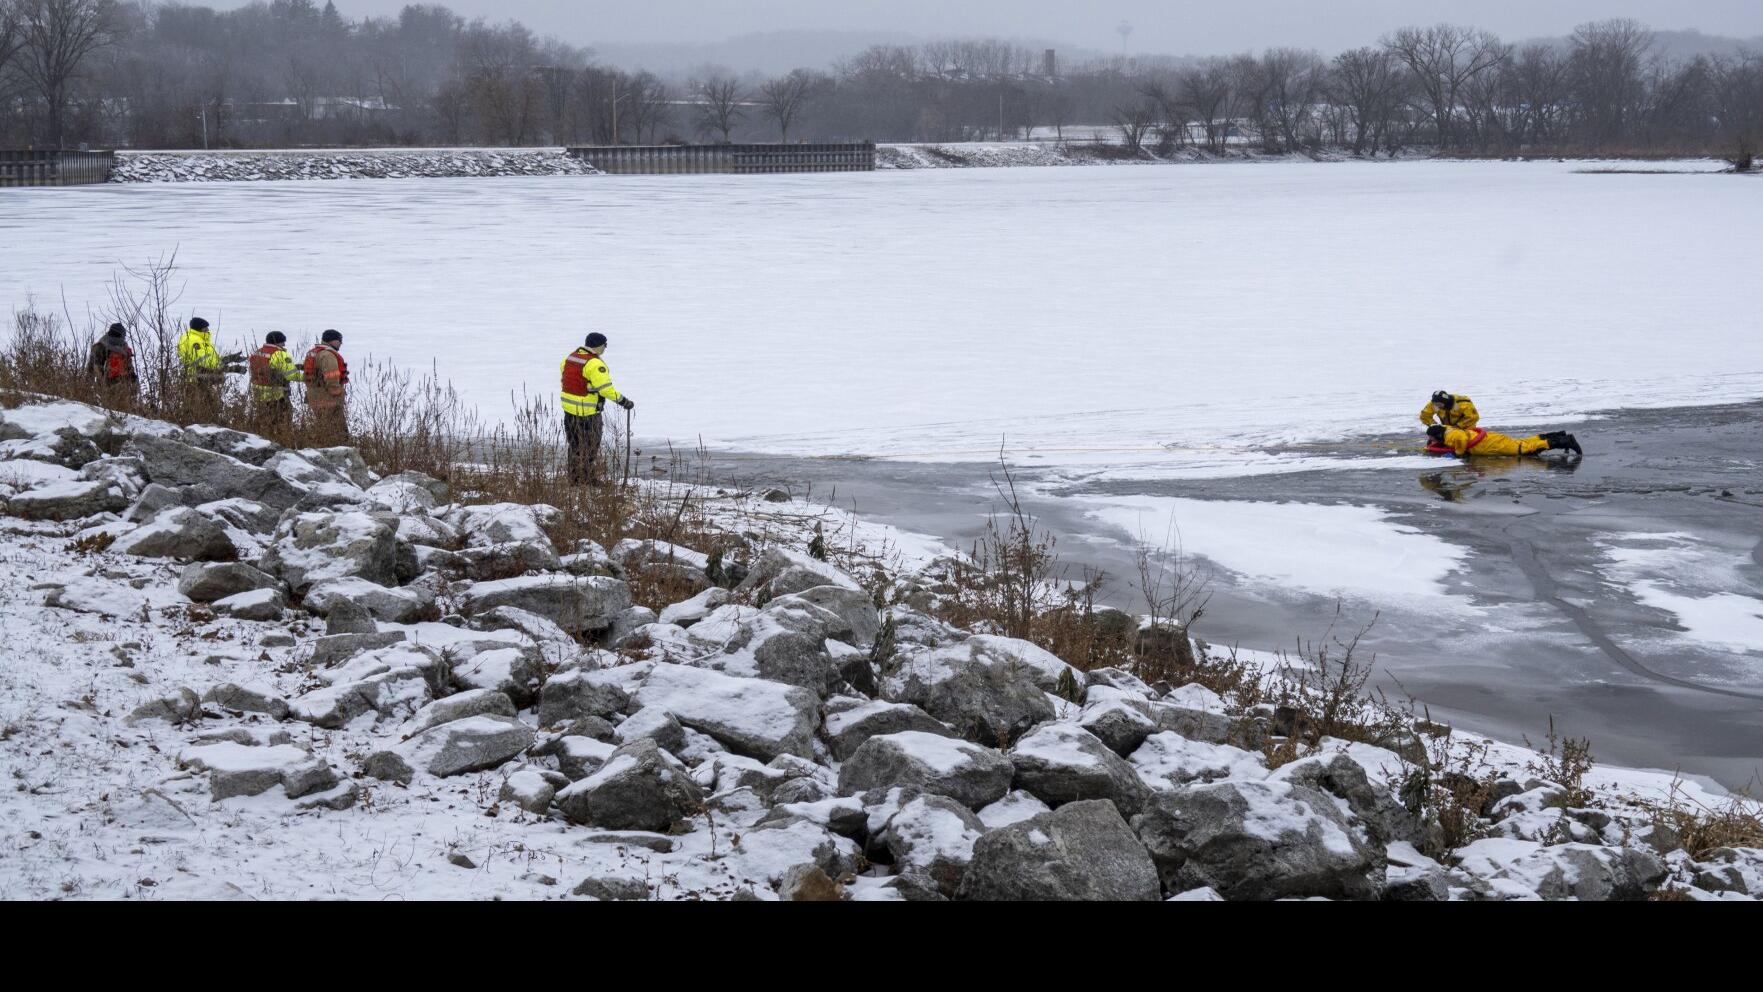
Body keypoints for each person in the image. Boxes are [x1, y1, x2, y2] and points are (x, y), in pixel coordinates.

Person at [560, 331, 634, 484]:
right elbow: (605, 389)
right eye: (604, 345)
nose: (605, 348)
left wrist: (587, 387)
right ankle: (587, 479)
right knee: (590, 446)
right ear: (598, 346)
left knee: (574, 445)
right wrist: (624, 402)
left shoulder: (571, 357)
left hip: (569, 411)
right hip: (588, 413)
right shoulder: (595, 364)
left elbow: (570, 376)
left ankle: (574, 478)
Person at [176, 317, 242, 418]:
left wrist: (229, 358)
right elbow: (205, 361)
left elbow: (208, 359)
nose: (208, 330)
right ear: (200, 329)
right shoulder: (196, 341)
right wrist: (229, 368)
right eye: (205, 328)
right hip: (198, 378)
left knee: (202, 405)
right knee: (207, 407)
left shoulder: (192, 337)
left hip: (196, 377)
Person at [302, 329, 349, 444]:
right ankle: (336, 449)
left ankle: (320, 445)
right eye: (339, 341)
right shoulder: (327, 355)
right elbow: (331, 375)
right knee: (337, 428)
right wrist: (336, 391)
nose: (340, 344)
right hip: (327, 396)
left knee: (322, 424)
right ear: (332, 341)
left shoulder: (313, 352)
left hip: (313, 394)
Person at [247, 331, 302, 427]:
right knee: (283, 419)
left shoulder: (258, 352)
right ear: (277, 342)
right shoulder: (280, 354)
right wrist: (309, 377)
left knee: (263, 418)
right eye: (282, 342)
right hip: (276, 393)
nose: (284, 344)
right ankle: (279, 438)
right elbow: (291, 375)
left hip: (258, 392)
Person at [1426, 424, 1581, 458]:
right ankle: (1557, 435)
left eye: (1432, 438)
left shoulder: (1452, 436)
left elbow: (1460, 439)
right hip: (1492, 440)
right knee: (1524, 443)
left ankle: (1565, 441)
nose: (1431, 441)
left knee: (1525, 449)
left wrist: (1458, 453)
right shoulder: (1447, 430)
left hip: (1492, 444)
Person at [86, 323, 137, 398]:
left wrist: (89, 387)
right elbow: (130, 370)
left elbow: (92, 368)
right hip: (123, 387)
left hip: (106, 388)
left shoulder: (100, 346)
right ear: (122, 335)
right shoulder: (124, 348)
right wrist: (134, 385)